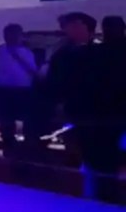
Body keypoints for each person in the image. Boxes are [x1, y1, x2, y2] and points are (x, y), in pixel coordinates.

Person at [47, 12, 120, 200]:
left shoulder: (80, 53)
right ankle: (103, 194)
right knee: (98, 156)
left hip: (94, 113)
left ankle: (100, 194)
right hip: (96, 113)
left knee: (97, 156)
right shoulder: (73, 53)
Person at [0, 23, 39, 158]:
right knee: (12, 120)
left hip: (13, 90)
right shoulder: (3, 51)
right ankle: (15, 147)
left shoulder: (6, 51)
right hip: (12, 90)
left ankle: (19, 147)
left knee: (15, 119)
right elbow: (33, 71)